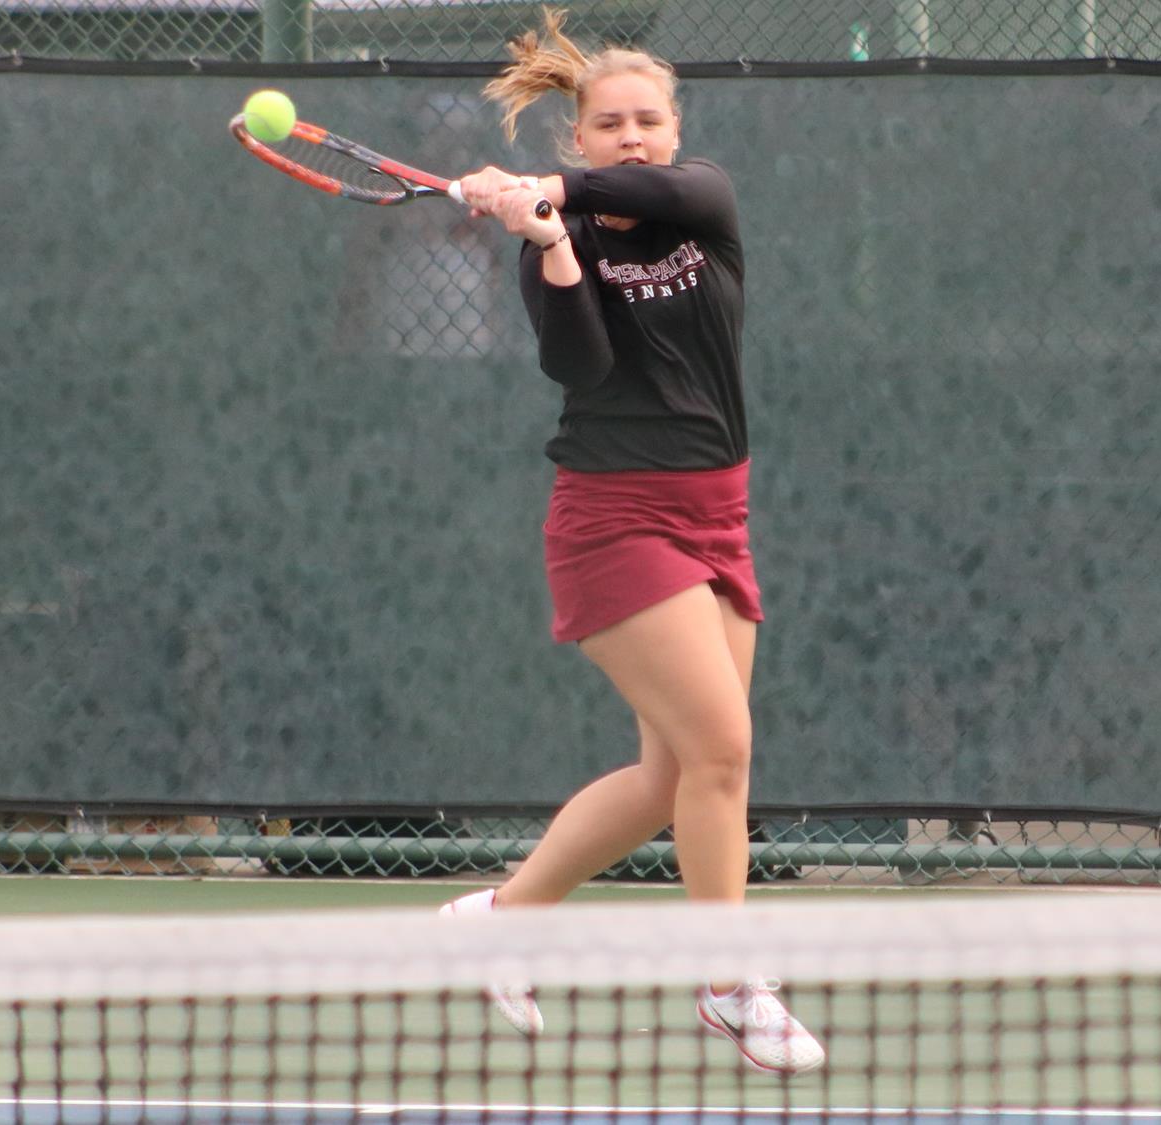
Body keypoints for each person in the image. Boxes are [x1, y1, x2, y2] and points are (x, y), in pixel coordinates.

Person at [434, 7, 824, 1077]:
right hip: (614, 519)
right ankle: (730, 983)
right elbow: (581, 369)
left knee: (675, 776)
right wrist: (552, 245)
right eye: (608, 124)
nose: (632, 137)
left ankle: (499, 923)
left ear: (674, 129)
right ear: (580, 133)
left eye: (648, 120)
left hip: (719, 513)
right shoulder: (556, 243)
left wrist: (548, 192)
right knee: (723, 750)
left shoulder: (703, 203)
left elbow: (665, 194)